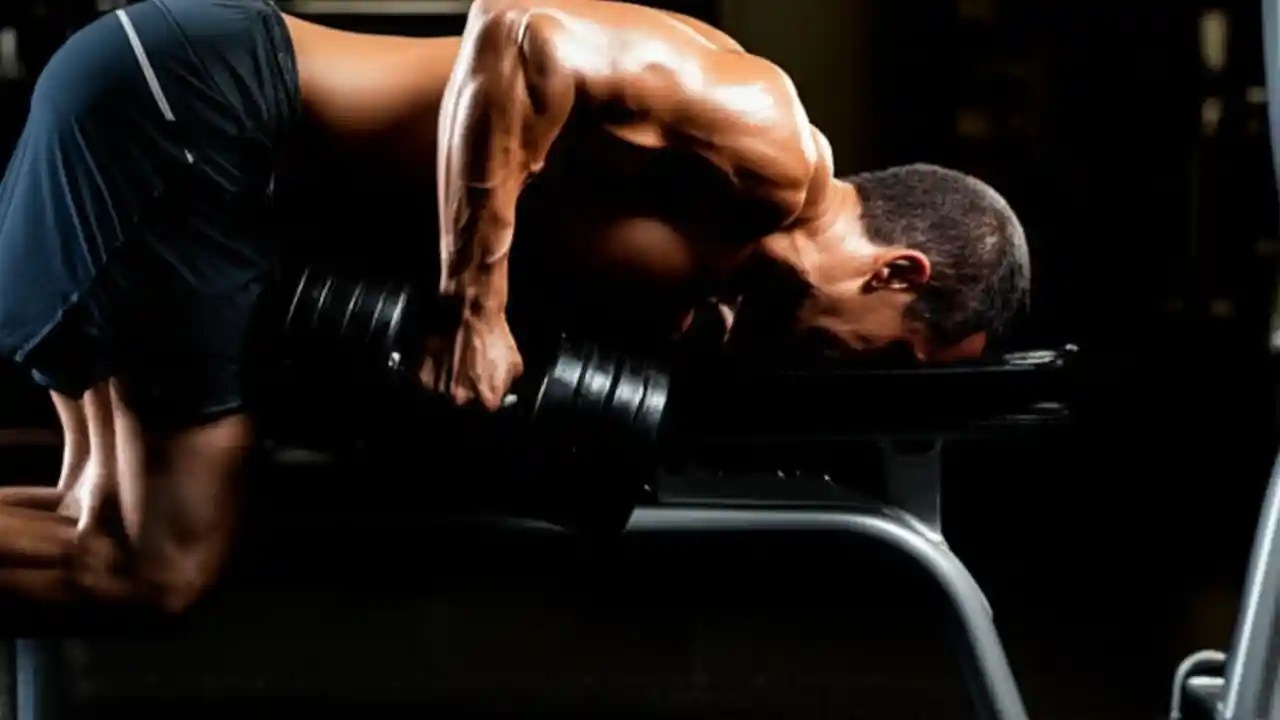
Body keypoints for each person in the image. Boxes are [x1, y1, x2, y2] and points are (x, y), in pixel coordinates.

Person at [0, 0, 1030, 613]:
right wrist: (470, 307)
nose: (859, 381)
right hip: (194, 105)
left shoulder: (721, 276)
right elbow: (521, 32)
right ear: (896, 274)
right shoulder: (767, 141)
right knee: (148, 564)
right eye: (891, 360)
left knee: (91, 525)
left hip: (184, 125)